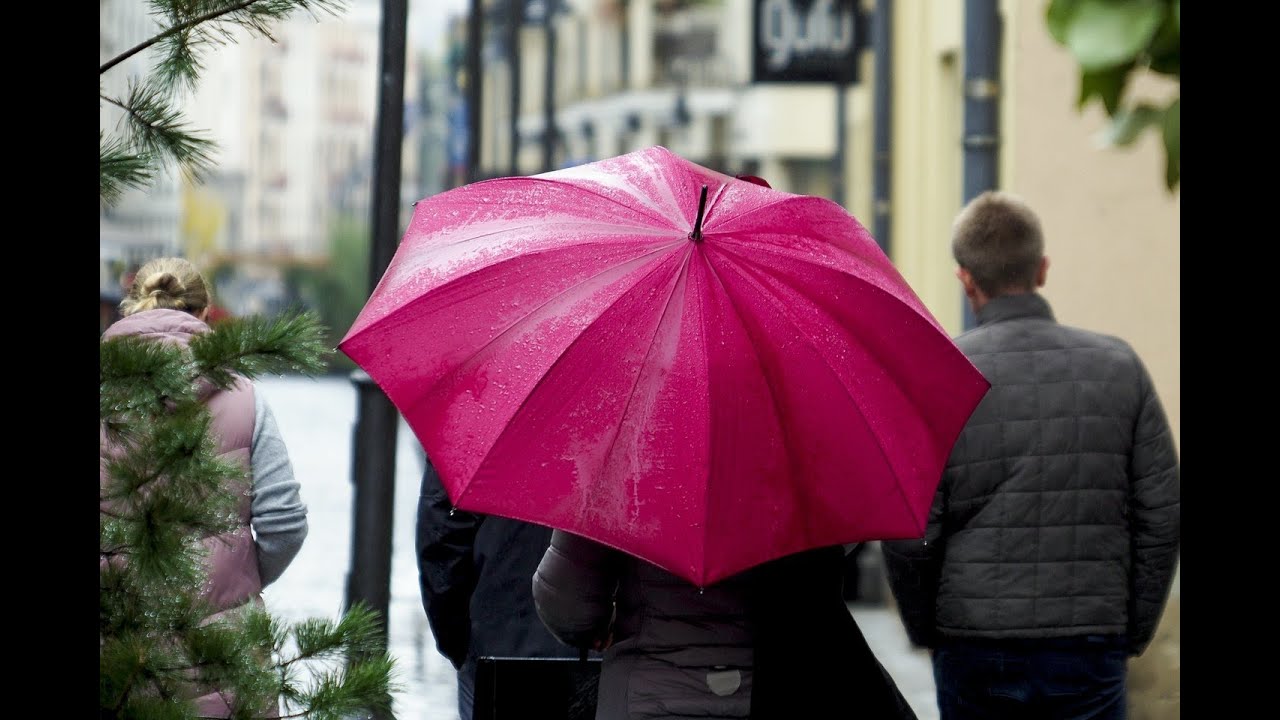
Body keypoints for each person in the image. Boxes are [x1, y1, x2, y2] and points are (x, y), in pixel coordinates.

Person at [880, 191, 1181, 720]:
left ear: (965, 279)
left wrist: (930, 628)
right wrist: (1129, 629)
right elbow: (1161, 513)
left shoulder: (936, 376)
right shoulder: (1119, 367)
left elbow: (910, 530)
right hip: (1089, 639)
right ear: (1042, 269)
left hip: (973, 641)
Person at [101, 256, 310, 717]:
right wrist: (234, 579)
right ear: (204, 313)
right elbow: (285, 523)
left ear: (130, 307)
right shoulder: (245, 397)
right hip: (224, 656)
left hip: (116, 644)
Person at [532, 529, 918, 720]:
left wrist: (605, 625)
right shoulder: (797, 454)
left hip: (647, 698)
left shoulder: (624, 456)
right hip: (766, 695)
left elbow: (565, 599)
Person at [417, 456, 583, 720]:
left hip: (497, 638)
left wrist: (459, 642)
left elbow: (441, 540)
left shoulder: (473, 422)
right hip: (594, 647)